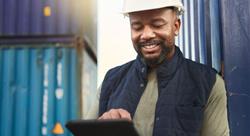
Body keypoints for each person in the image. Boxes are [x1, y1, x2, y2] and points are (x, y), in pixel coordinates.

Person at [86, 0, 230, 135]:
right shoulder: (111, 81)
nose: (146, 35)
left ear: (176, 26)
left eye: (157, 24)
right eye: (137, 27)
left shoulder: (208, 83)